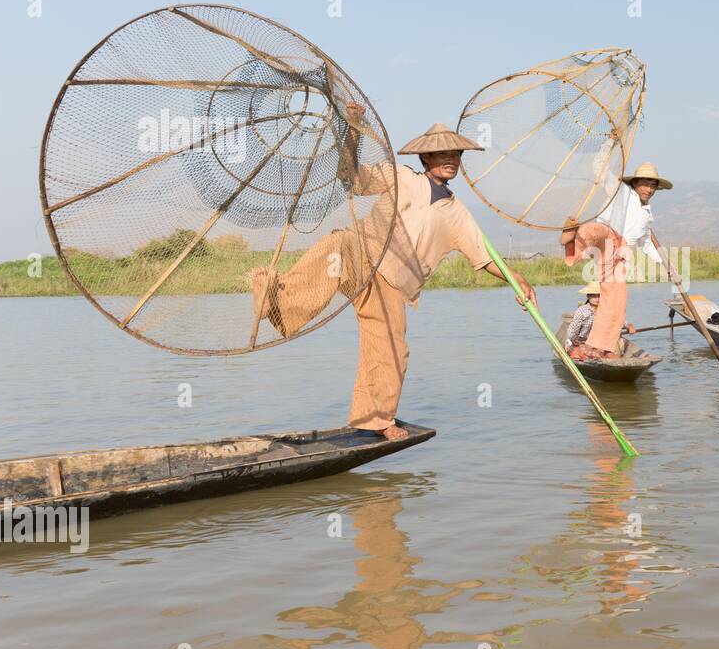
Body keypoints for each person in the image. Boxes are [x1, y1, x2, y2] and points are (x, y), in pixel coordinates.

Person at [251, 105, 536, 440]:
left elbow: (484, 257)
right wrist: (353, 129)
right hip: (364, 254)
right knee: (338, 245)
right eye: (441, 154)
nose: (450, 160)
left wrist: (516, 277)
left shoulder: (457, 213)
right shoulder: (401, 177)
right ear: (426, 158)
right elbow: (351, 177)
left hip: (392, 283)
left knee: (391, 348)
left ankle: (375, 418)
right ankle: (277, 301)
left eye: (455, 155)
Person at [558, 161, 671, 360]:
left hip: (618, 255)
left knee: (616, 302)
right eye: (645, 183)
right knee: (592, 231)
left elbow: (646, 245)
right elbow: (599, 167)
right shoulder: (622, 192)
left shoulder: (647, 215)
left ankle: (599, 346)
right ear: (635, 184)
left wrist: (665, 263)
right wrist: (610, 142)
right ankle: (571, 238)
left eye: (653, 185)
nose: (649, 189)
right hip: (608, 236)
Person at [564, 283, 605, 360]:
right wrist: (573, 342)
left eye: (599, 296)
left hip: (598, 342)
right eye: (593, 296)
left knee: (604, 354)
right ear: (588, 296)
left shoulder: (606, 310)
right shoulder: (582, 311)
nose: (597, 299)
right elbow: (573, 330)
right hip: (581, 341)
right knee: (580, 354)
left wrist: (628, 325)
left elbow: (616, 321)